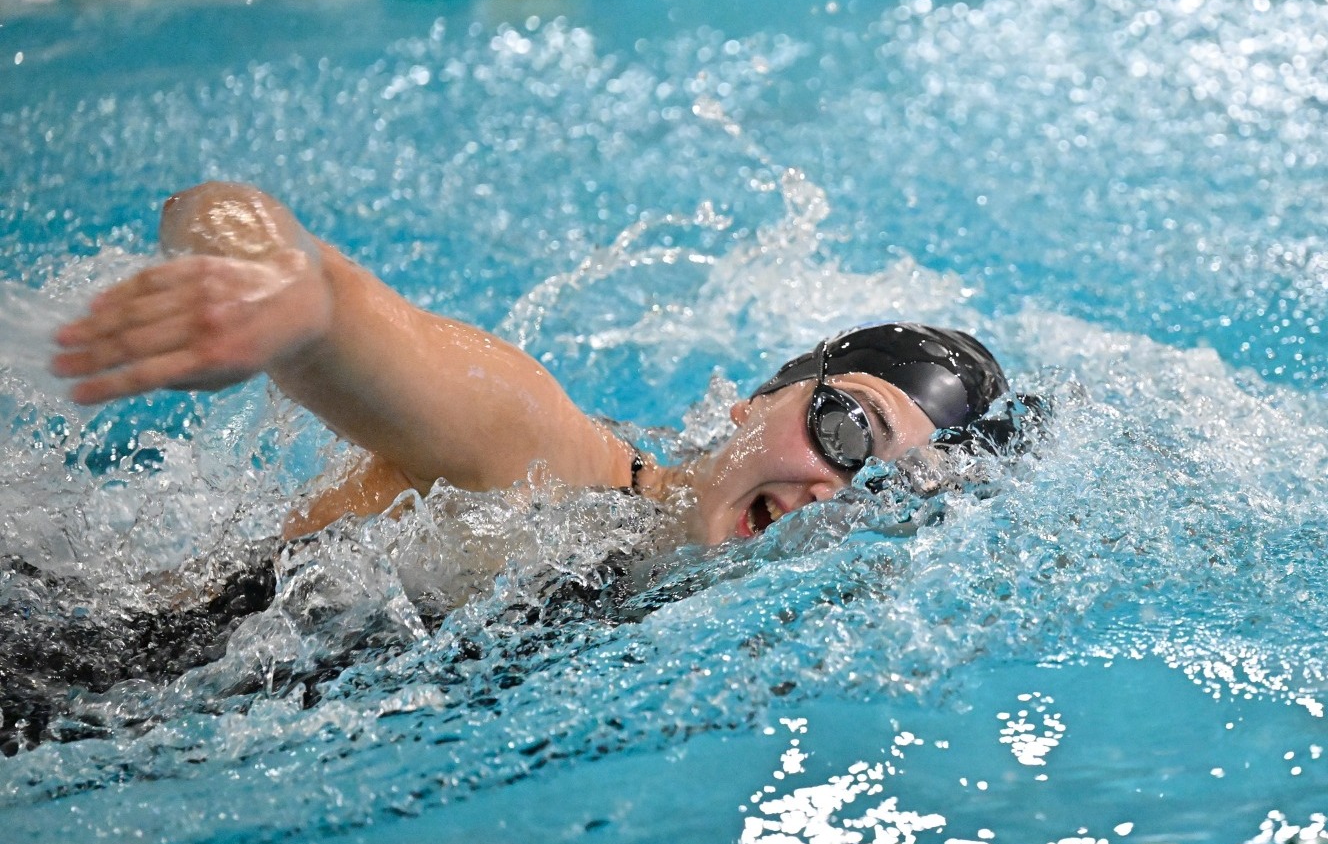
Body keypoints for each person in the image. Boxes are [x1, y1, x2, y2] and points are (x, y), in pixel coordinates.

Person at [50, 181, 1015, 546]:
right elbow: (237, 225)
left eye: (893, 494)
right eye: (848, 430)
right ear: (754, 403)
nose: (838, 493)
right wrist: (273, 298)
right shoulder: (544, 467)